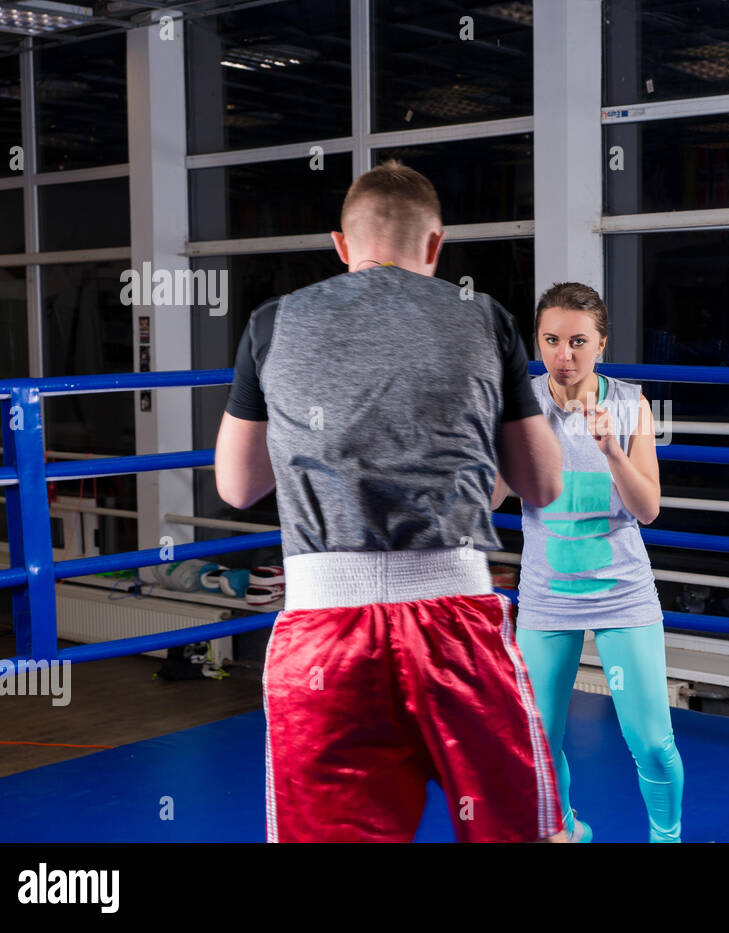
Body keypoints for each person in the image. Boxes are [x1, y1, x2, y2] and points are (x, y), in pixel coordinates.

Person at [214, 160, 568, 843]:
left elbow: (237, 486)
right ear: (435, 245)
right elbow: (544, 485)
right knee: (521, 833)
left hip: (323, 627)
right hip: (455, 620)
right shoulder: (484, 317)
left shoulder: (272, 321)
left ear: (341, 245)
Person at [493, 282, 685, 843]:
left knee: (652, 740)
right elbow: (491, 499)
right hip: (548, 597)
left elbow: (647, 509)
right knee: (539, 742)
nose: (564, 355)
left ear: (601, 343)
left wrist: (610, 451)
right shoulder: (520, 405)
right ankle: (568, 828)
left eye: (578, 341)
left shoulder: (631, 404)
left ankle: (666, 837)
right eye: (551, 340)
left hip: (623, 592)